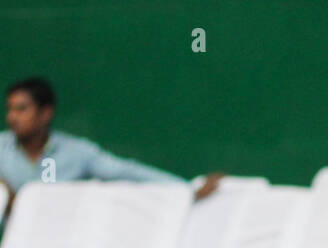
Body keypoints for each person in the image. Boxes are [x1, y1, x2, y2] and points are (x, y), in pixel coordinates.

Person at [0, 77, 222, 224]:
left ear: (46, 113)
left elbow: (126, 172)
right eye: (10, 109)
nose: (12, 117)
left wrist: (186, 189)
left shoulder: (77, 152)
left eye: (21, 109)